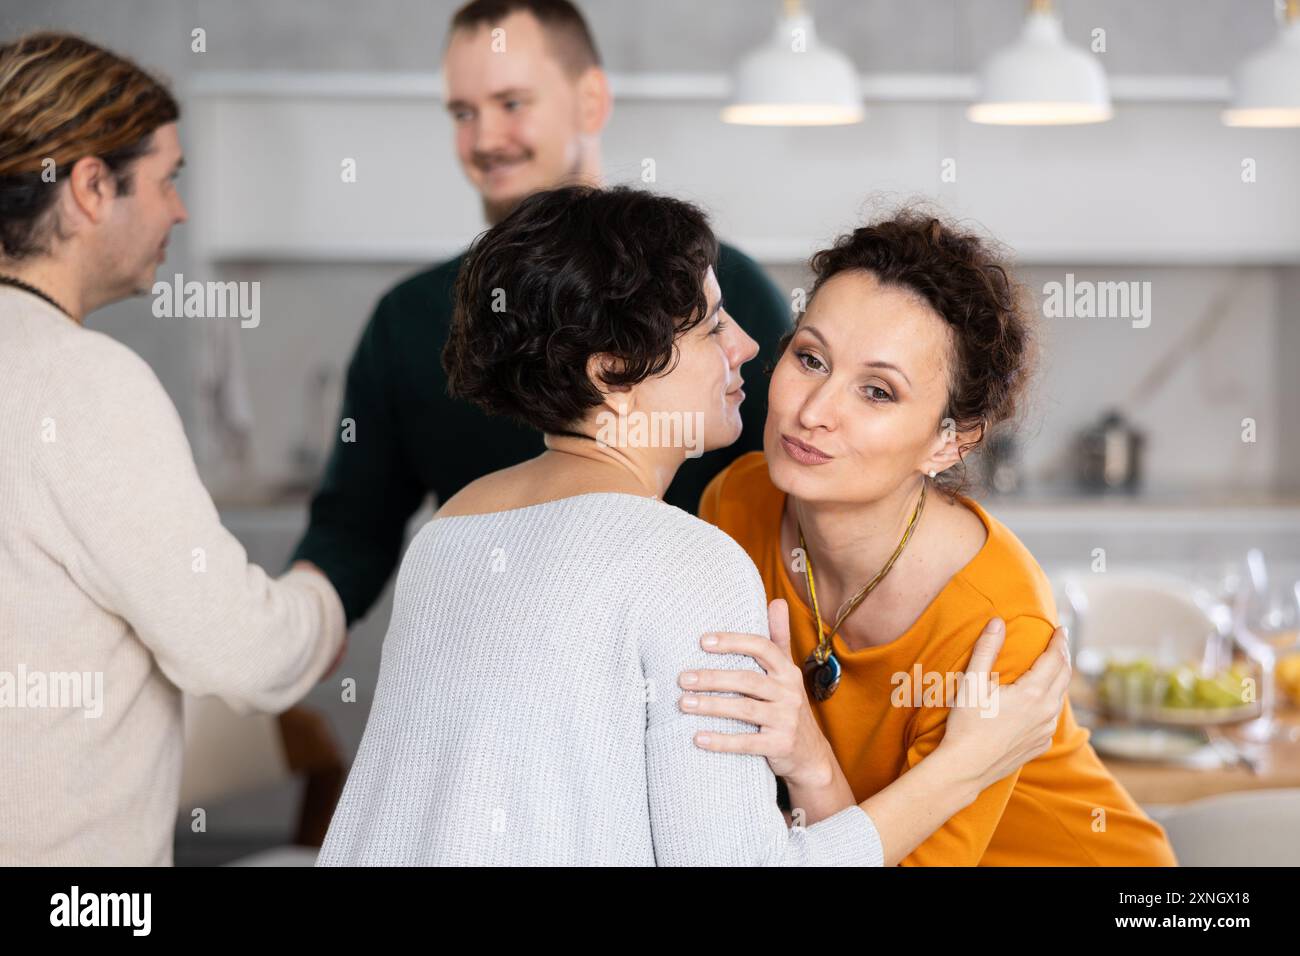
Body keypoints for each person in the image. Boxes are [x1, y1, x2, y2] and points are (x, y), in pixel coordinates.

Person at [316, 186, 1071, 866]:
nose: (747, 344)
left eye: (875, 389)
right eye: (712, 327)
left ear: (950, 437)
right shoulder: (693, 557)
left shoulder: (448, 531)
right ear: (614, 374)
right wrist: (965, 765)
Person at [694, 209, 1178, 865]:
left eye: (877, 392)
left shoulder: (996, 620)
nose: (812, 413)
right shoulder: (737, 501)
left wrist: (807, 757)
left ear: (949, 440)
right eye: (810, 359)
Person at [289, 0, 793, 626]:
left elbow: (797, 490)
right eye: (462, 113)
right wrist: (278, 633)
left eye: (512, 103)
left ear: (590, 102)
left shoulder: (725, 288)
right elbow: (352, 533)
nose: (485, 140)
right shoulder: (410, 319)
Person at [0, 32, 345, 866]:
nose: (179, 212)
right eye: (167, 180)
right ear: (90, 187)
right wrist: (323, 600)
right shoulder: (81, 382)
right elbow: (243, 653)